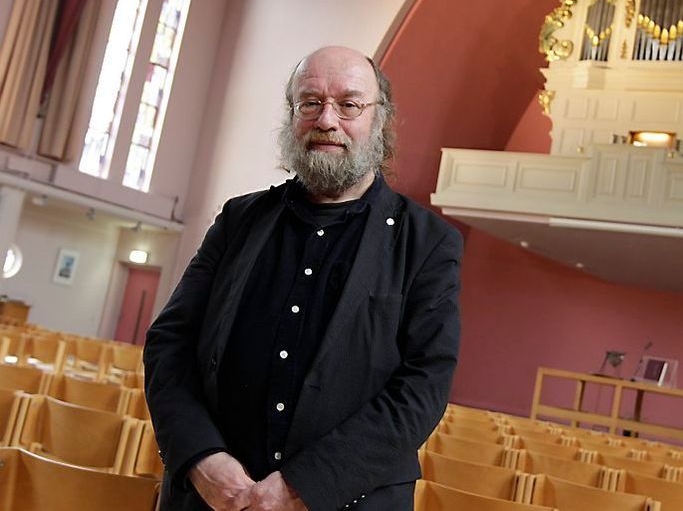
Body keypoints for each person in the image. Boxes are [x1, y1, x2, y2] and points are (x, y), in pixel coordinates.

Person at [144, 46, 462, 511]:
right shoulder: (239, 220)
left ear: (380, 118)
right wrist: (200, 458)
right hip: (212, 499)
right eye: (310, 103)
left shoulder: (428, 243)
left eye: (349, 105)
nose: (327, 120)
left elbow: (423, 386)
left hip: (348, 500)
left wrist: (302, 487)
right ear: (293, 115)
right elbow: (170, 342)